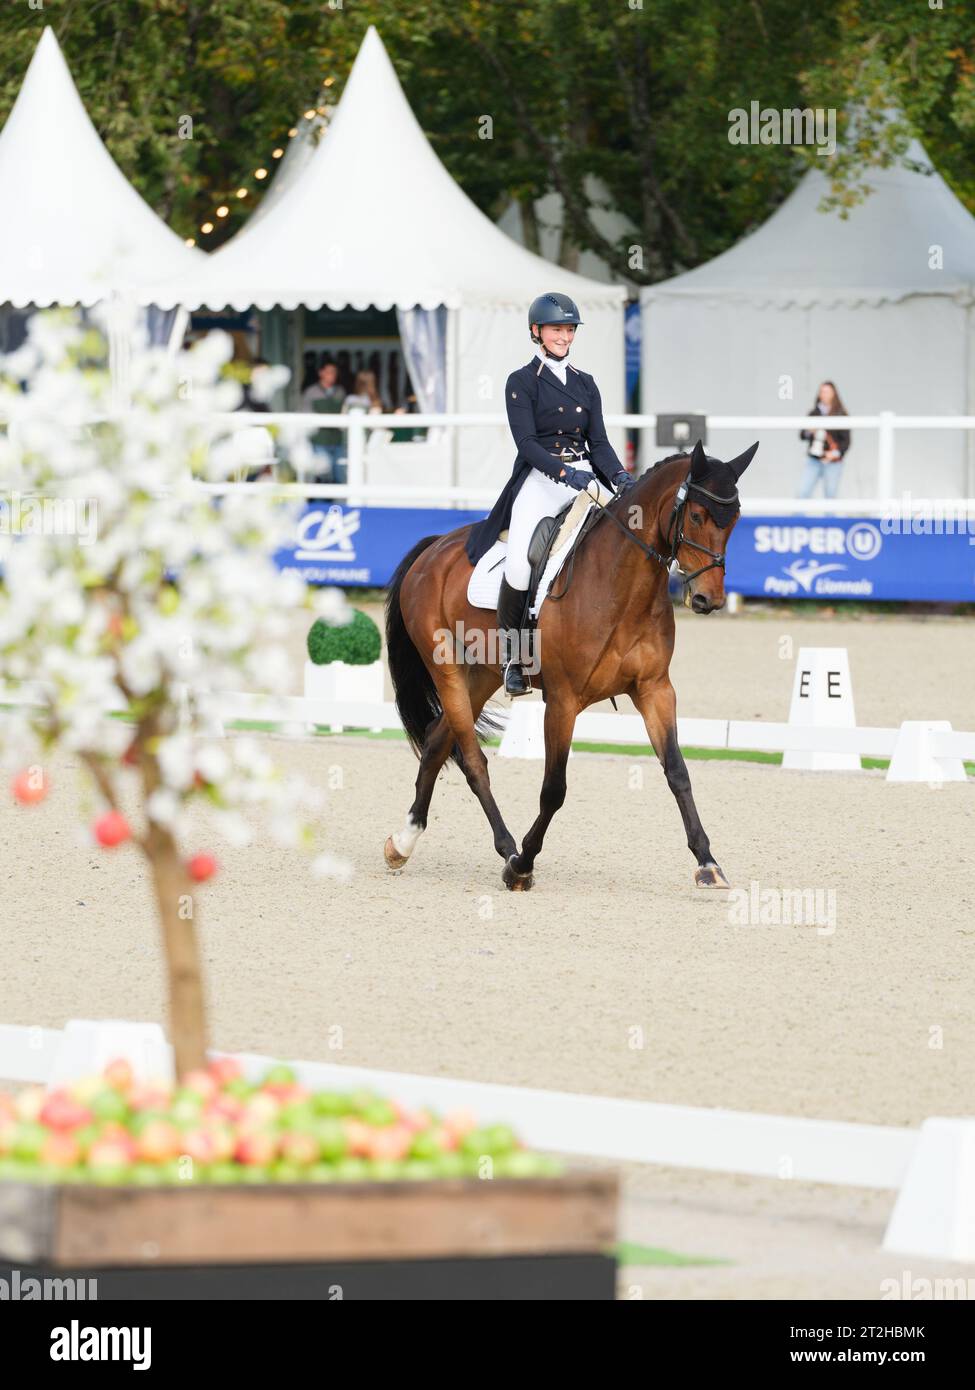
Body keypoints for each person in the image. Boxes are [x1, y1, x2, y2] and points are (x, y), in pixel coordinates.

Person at [464, 291, 635, 697]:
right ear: (537, 332)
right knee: (522, 564)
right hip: (541, 482)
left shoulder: (586, 384)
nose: (564, 336)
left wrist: (620, 478)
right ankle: (513, 658)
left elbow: (601, 442)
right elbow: (526, 443)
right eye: (557, 329)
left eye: (569, 329)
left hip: (586, 478)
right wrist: (564, 474)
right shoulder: (521, 382)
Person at [798, 381, 851, 499]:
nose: (824, 394)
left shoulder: (841, 415)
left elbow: (846, 442)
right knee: (803, 492)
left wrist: (833, 454)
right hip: (814, 460)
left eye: (827, 391)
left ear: (834, 394)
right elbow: (802, 435)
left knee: (830, 496)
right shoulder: (813, 413)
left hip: (832, 463)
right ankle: (798, 518)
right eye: (822, 391)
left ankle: (830, 518)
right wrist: (809, 431)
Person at [301, 360, 347, 483]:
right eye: (329, 372)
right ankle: (320, 502)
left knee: (339, 475)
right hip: (319, 440)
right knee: (322, 475)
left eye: (334, 372)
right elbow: (306, 414)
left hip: (337, 439)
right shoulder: (311, 392)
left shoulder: (340, 392)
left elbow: (344, 412)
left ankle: (337, 503)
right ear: (321, 373)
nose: (332, 375)